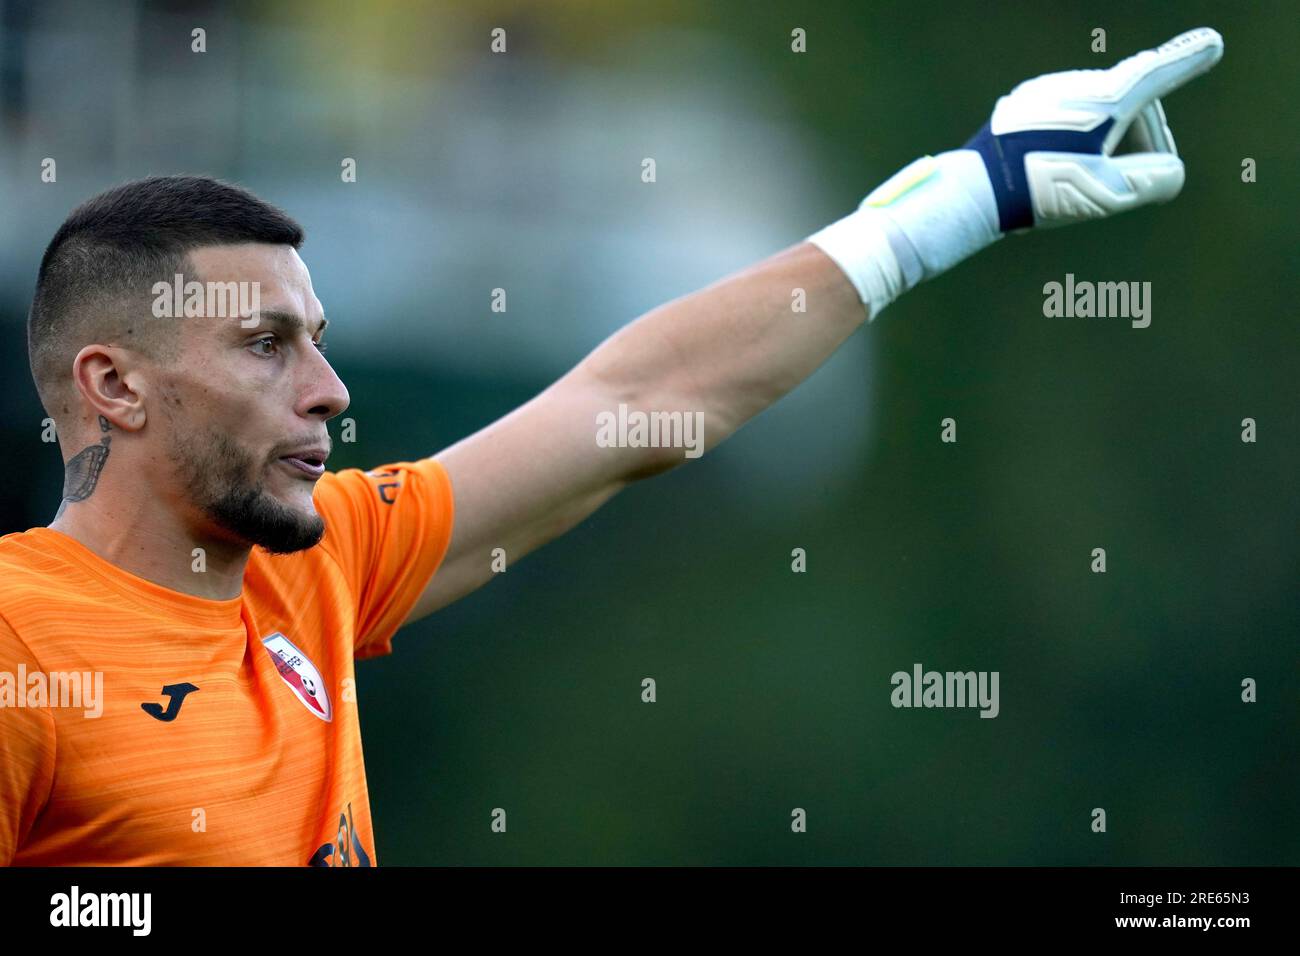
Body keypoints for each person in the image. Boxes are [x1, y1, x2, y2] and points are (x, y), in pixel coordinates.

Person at [0, 28, 1222, 865]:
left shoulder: (321, 564)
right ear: (115, 386)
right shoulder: (20, 640)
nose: (328, 388)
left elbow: (638, 398)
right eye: (265, 345)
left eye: (316, 338)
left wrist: (970, 191)